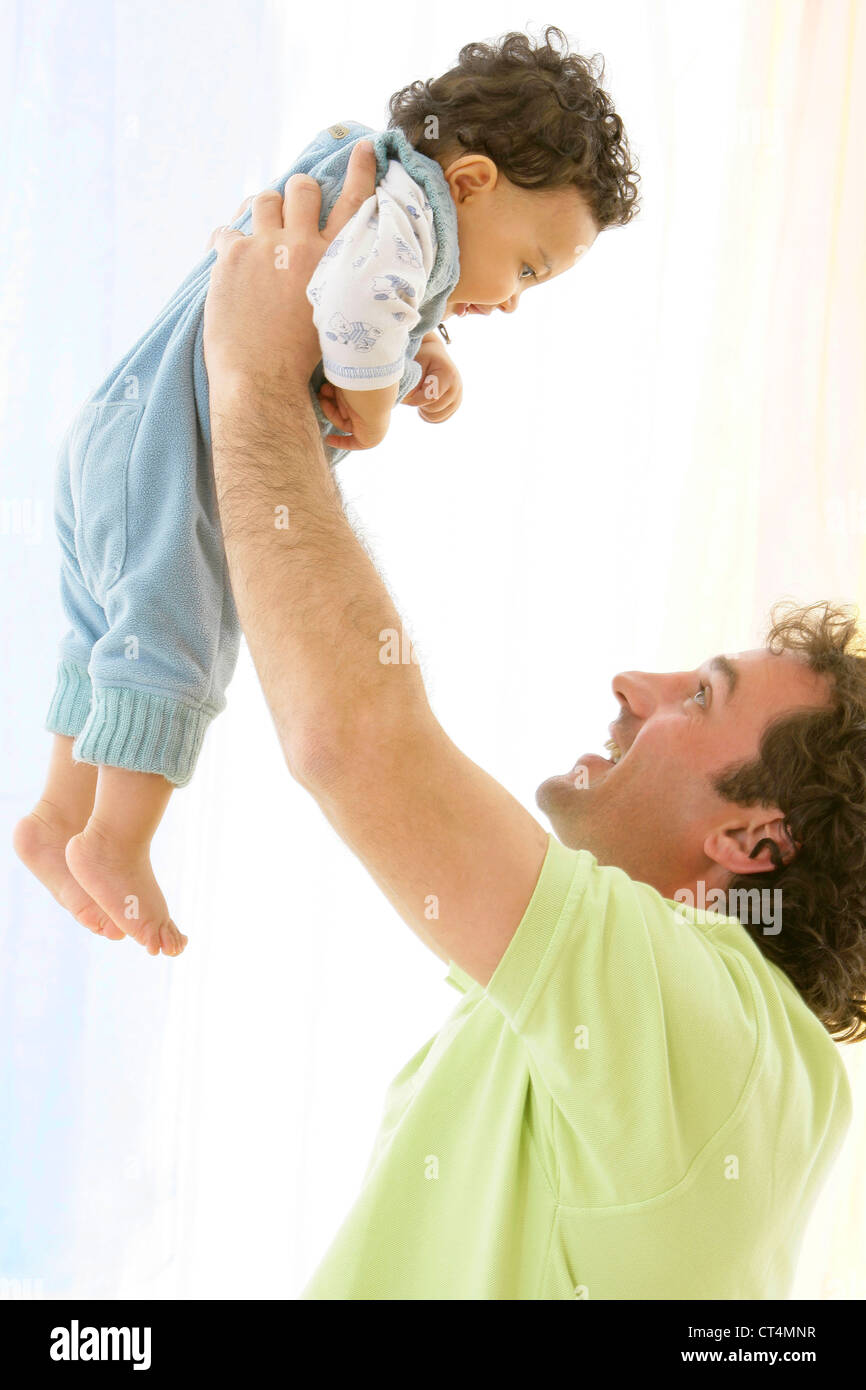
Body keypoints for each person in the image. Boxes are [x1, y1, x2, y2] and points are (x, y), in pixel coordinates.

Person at [195, 144, 864, 1299]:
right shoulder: (574, 1035)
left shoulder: (727, 1048)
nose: (631, 684)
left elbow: (358, 741)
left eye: (697, 696)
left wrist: (253, 384)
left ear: (752, 845)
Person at [13, 27, 636, 958]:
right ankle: (116, 838)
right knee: (175, 636)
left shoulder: (372, 175)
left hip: (116, 438)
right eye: (530, 266)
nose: (513, 300)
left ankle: (59, 815)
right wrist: (379, 412)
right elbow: (350, 321)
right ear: (468, 183)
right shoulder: (408, 226)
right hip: (168, 462)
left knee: (104, 626)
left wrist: (420, 350)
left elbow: (346, 298)